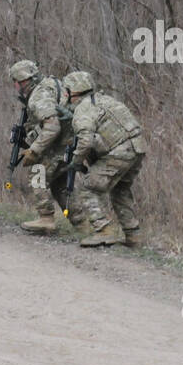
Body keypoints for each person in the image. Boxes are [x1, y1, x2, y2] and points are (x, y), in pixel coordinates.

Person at [62, 71, 147, 247]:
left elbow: (85, 140)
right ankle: (134, 236)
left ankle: (103, 230)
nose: (64, 94)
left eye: (66, 90)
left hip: (120, 151)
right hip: (137, 148)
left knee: (87, 186)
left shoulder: (83, 110)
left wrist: (76, 162)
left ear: (73, 92)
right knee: (120, 191)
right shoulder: (104, 100)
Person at [9, 59, 75, 235]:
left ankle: (46, 219)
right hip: (69, 143)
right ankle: (83, 225)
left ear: (22, 81)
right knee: (60, 185)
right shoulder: (52, 84)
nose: (15, 87)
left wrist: (34, 150)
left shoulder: (38, 96)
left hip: (58, 144)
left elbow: (53, 126)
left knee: (37, 172)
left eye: (15, 82)